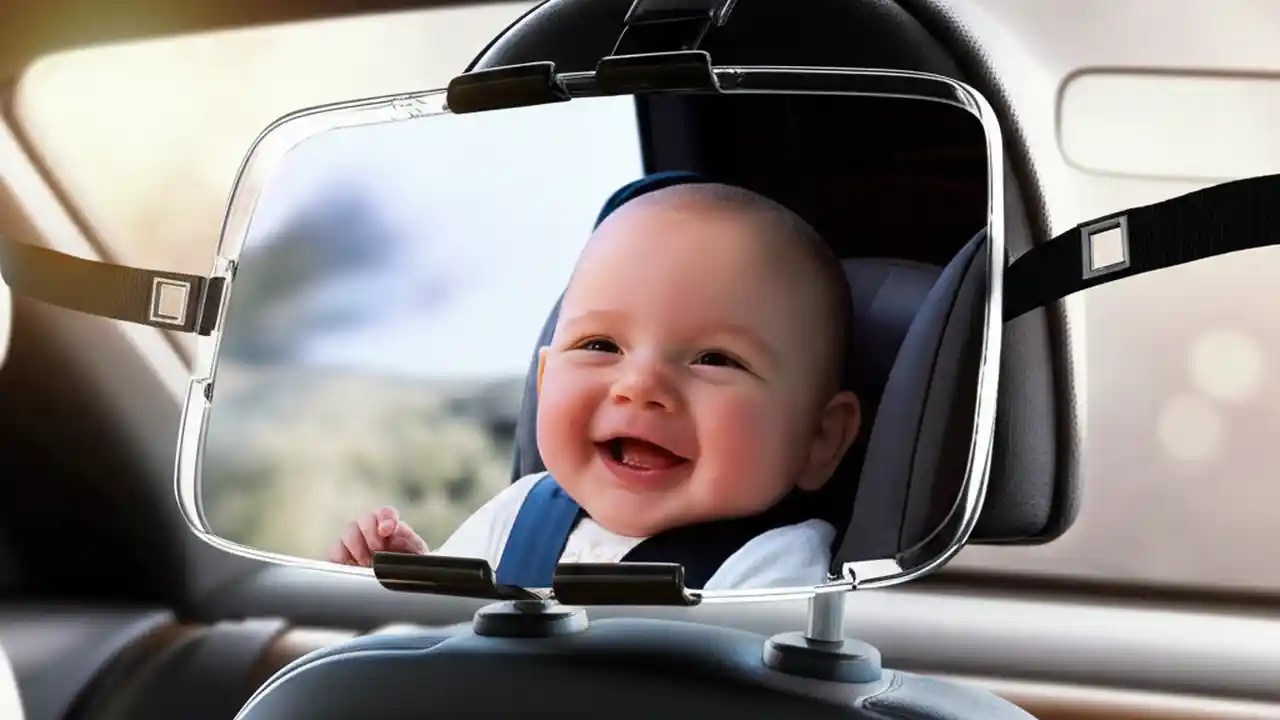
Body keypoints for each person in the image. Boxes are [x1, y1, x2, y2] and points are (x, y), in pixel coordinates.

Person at [330, 174, 862, 590]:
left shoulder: (771, 564)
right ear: (543, 383)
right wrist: (413, 582)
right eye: (600, 346)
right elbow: (444, 648)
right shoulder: (520, 512)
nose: (640, 385)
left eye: (714, 359)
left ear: (820, 439)